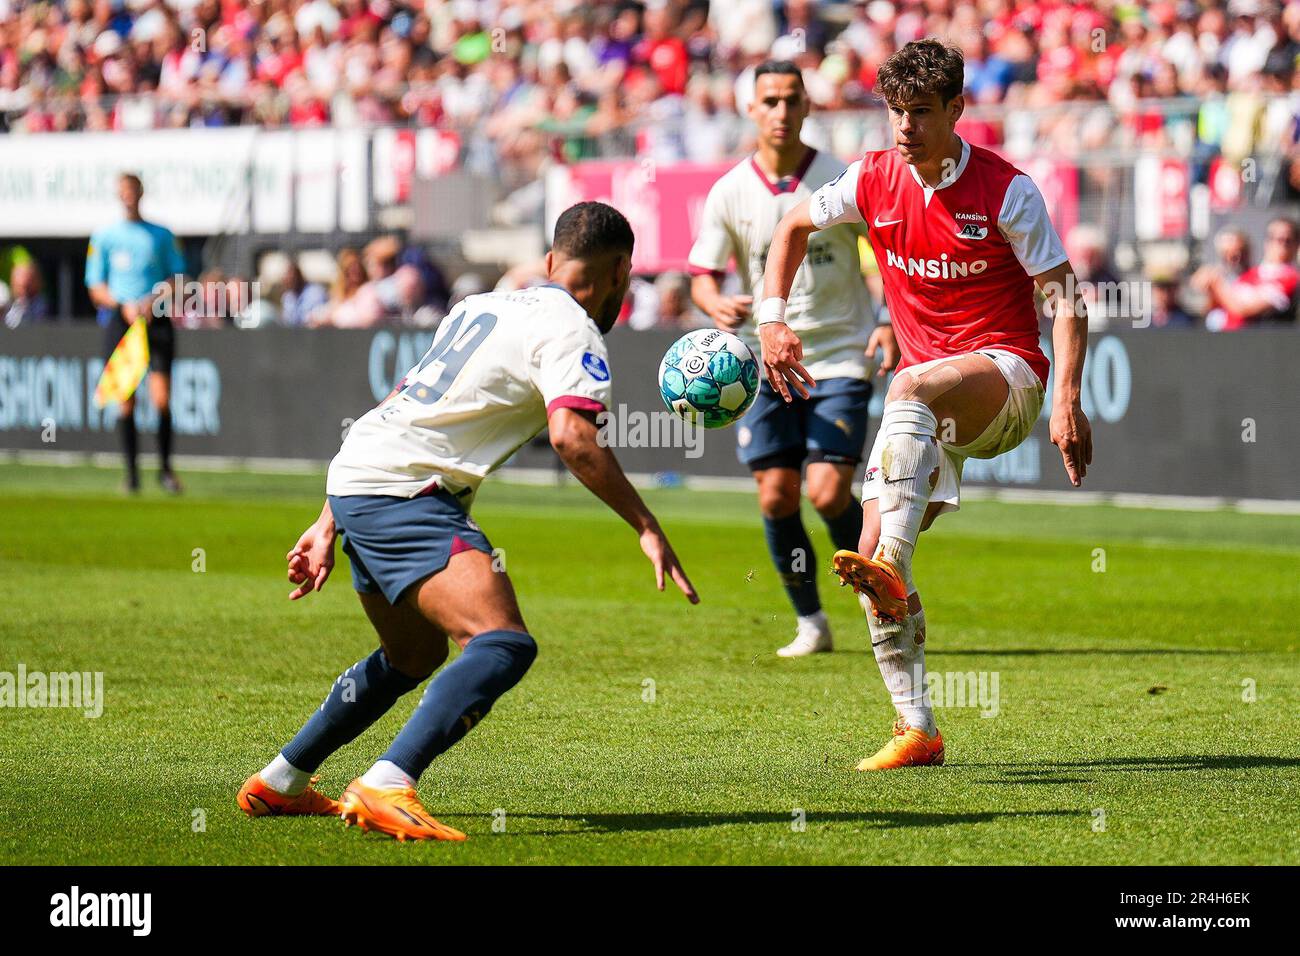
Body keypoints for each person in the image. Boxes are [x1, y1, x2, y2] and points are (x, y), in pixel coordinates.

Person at [237, 202, 698, 841]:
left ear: (548, 262)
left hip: (359, 476)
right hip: (405, 492)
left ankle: (281, 781)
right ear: (622, 271)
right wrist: (646, 524)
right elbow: (573, 438)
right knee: (502, 643)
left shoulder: (480, 305)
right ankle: (387, 782)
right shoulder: (574, 331)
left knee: (411, 654)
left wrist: (329, 517)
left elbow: (399, 403)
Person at [758, 39, 1092, 770]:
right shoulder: (871, 178)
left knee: (907, 395)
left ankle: (896, 564)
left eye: (919, 113)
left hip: (1006, 381)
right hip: (925, 414)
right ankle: (919, 729)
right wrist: (772, 319)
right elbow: (790, 227)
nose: (903, 127)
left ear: (955, 110)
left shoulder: (1007, 190)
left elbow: (1066, 298)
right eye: (894, 112)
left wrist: (1067, 399)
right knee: (867, 565)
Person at [688, 59, 898, 657]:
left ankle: (879, 581)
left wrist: (886, 320)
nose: (781, 111)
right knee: (777, 497)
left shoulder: (840, 177)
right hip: (762, 361)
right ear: (751, 110)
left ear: (808, 107)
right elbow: (701, 274)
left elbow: (884, 251)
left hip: (837, 353)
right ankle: (811, 621)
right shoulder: (729, 190)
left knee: (829, 493)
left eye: (791, 100)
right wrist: (715, 303)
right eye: (770, 101)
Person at [85, 173, 186, 494]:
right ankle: (131, 474)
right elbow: (95, 286)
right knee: (124, 400)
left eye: (133, 190)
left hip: (154, 320)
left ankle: (166, 470)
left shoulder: (160, 234)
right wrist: (121, 304)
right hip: (121, 323)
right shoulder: (104, 237)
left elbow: (177, 278)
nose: (128, 196)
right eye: (123, 191)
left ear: (141, 193)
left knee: (161, 398)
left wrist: (152, 300)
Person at [1192, 217, 1300, 329]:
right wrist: (1208, 288)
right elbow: (1216, 308)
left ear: (1296, 244)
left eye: (1288, 240)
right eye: (1275, 238)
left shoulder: (1290, 278)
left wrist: (1216, 283)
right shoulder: (1252, 273)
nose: (1281, 245)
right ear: (1266, 241)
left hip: (1255, 341)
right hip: (1225, 338)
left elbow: (1242, 309)